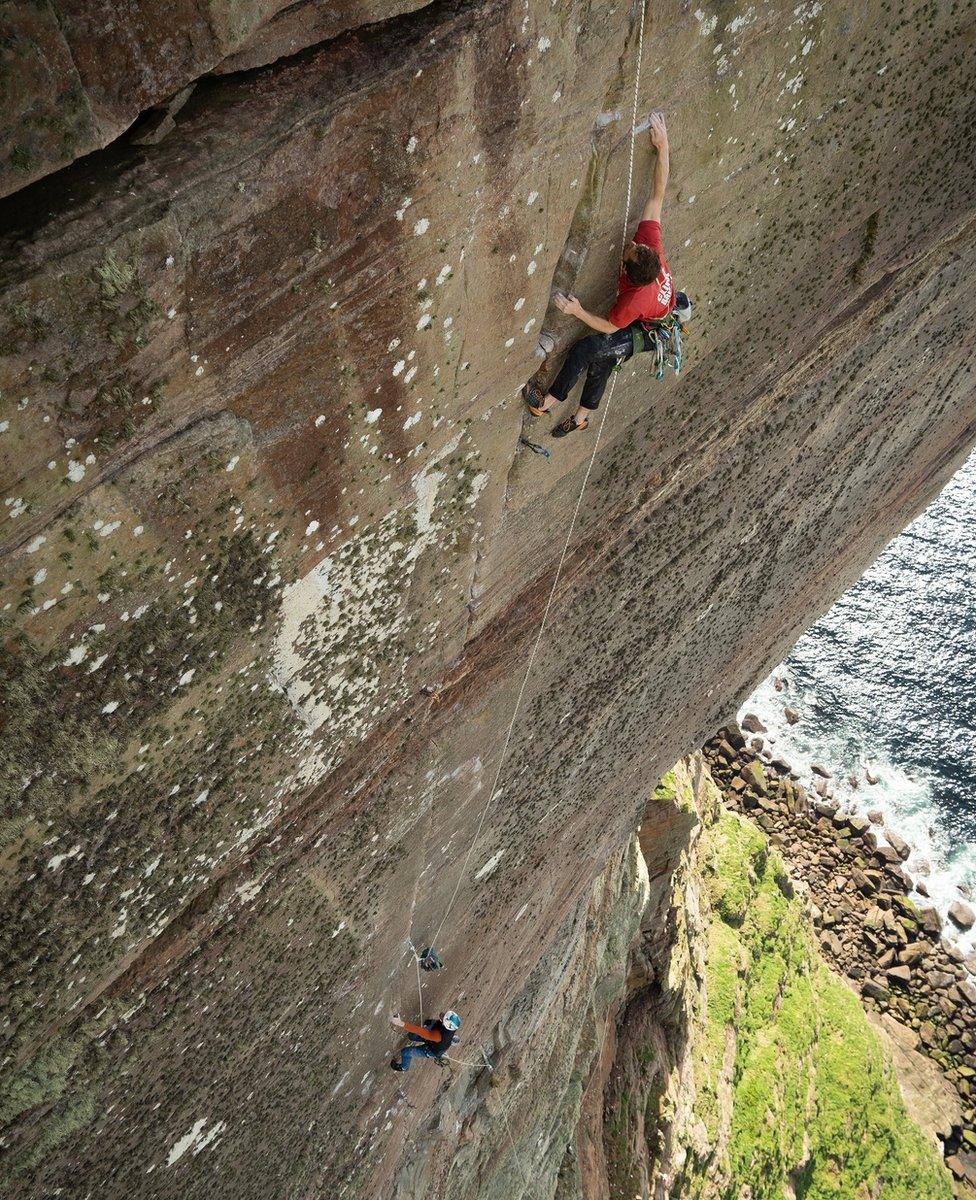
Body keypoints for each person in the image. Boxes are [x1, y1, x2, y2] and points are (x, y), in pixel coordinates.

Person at [523, 110, 675, 436]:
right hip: (655, 311)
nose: (635, 242)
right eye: (638, 246)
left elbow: (609, 324)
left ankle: (545, 402)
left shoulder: (633, 300)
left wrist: (577, 310)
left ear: (628, 271)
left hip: (647, 328)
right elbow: (657, 195)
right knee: (603, 359)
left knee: (589, 350)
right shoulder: (652, 252)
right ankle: (579, 420)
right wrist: (663, 148)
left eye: (632, 249)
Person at [389, 1009, 461, 1071]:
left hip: (431, 1050)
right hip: (433, 1042)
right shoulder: (452, 1027)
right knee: (411, 1036)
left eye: (444, 1016)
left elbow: (420, 1031)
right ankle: (415, 1036)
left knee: (406, 1052)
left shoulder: (437, 1036)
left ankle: (404, 1067)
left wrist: (400, 1023)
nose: (443, 1014)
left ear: (444, 1024)